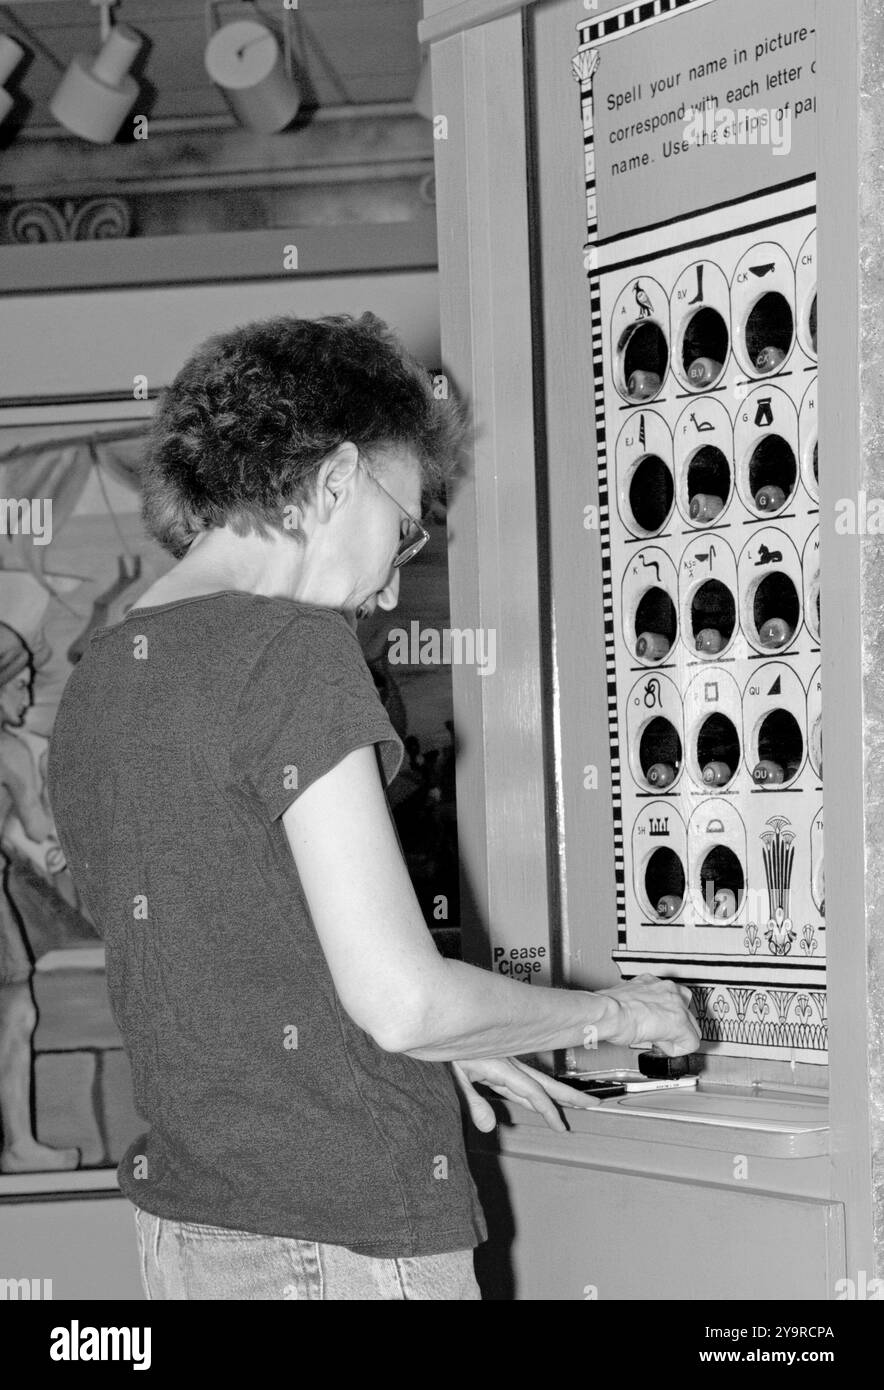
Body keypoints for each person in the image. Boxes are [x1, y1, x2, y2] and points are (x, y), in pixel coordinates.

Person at [47, 312, 699, 1300]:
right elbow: (401, 998)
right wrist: (616, 1012)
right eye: (403, 531)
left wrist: (455, 1045)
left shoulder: (100, 678)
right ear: (337, 478)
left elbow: (228, 971)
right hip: (341, 1247)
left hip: (188, 1240)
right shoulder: (290, 653)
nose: (394, 588)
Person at [0, 622, 78, 1173]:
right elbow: (38, 824)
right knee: (18, 1013)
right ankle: (20, 1145)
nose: (27, 697)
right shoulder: (12, 753)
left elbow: (12, 834)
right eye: (19, 684)